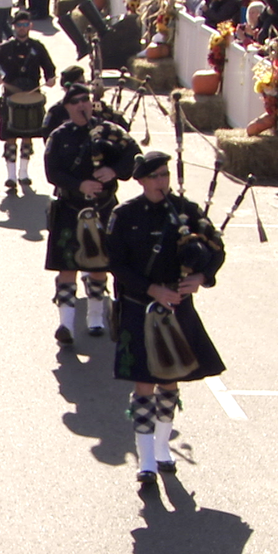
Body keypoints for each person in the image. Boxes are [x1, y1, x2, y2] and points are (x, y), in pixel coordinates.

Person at [106, 150, 226, 484]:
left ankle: (162, 449)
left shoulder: (186, 211)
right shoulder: (124, 214)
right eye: (155, 176)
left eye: (165, 175)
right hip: (137, 306)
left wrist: (201, 277)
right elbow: (116, 263)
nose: (162, 182)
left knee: (169, 381)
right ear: (141, 180)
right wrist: (151, 289)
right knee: (144, 384)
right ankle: (145, 460)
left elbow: (217, 248)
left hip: (177, 307)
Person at [43, 82, 140, 344]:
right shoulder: (59, 136)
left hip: (103, 207)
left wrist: (115, 171)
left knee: (100, 264)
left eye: (85, 100)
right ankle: (66, 326)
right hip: (70, 207)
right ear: (67, 107)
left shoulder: (108, 130)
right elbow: (52, 173)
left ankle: (95, 318)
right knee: (67, 266)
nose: (82, 105)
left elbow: (134, 154)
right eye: (75, 102)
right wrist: (79, 184)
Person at [0, 10, 57, 192]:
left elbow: (49, 68)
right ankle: (11, 175)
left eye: (25, 25)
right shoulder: (6, 48)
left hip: (32, 95)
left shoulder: (38, 47)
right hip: (11, 96)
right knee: (10, 136)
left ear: (30, 26)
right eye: (18, 25)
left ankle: (24, 172)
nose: (22, 28)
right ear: (14, 27)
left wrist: (51, 77)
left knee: (28, 137)